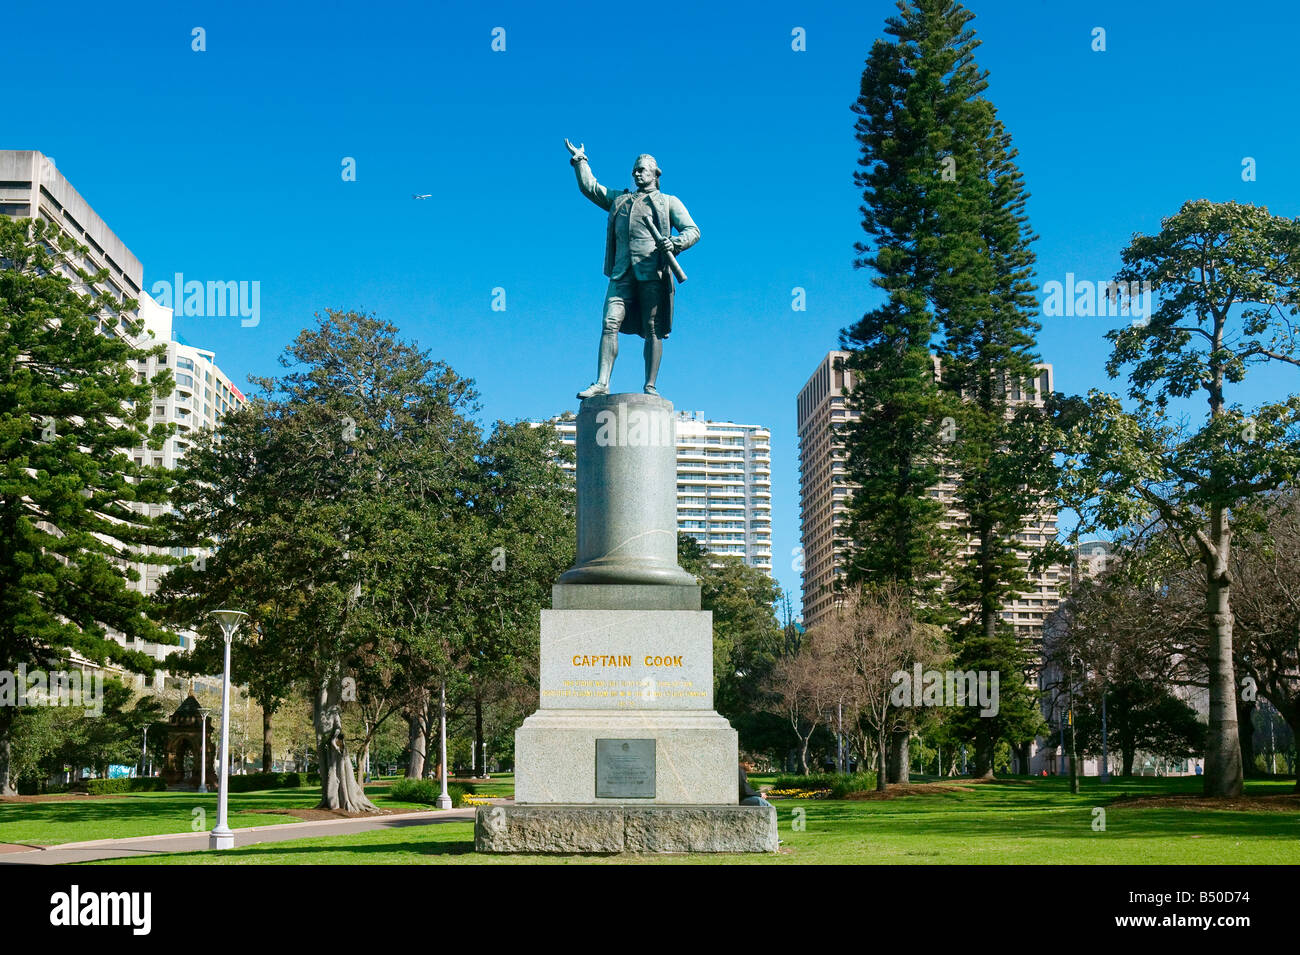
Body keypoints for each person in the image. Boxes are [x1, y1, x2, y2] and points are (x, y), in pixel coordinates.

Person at [564, 139, 700, 398]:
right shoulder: (621, 200)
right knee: (609, 323)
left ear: (655, 174)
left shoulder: (668, 202)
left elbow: (693, 231)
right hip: (622, 271)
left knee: (653, 328)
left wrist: (675, 241)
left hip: (652, 272)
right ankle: (602, 382)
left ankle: (650, 385)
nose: (637, 173)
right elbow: (591, 188)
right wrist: (580, 160)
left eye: (642, 169)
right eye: (635, 169)